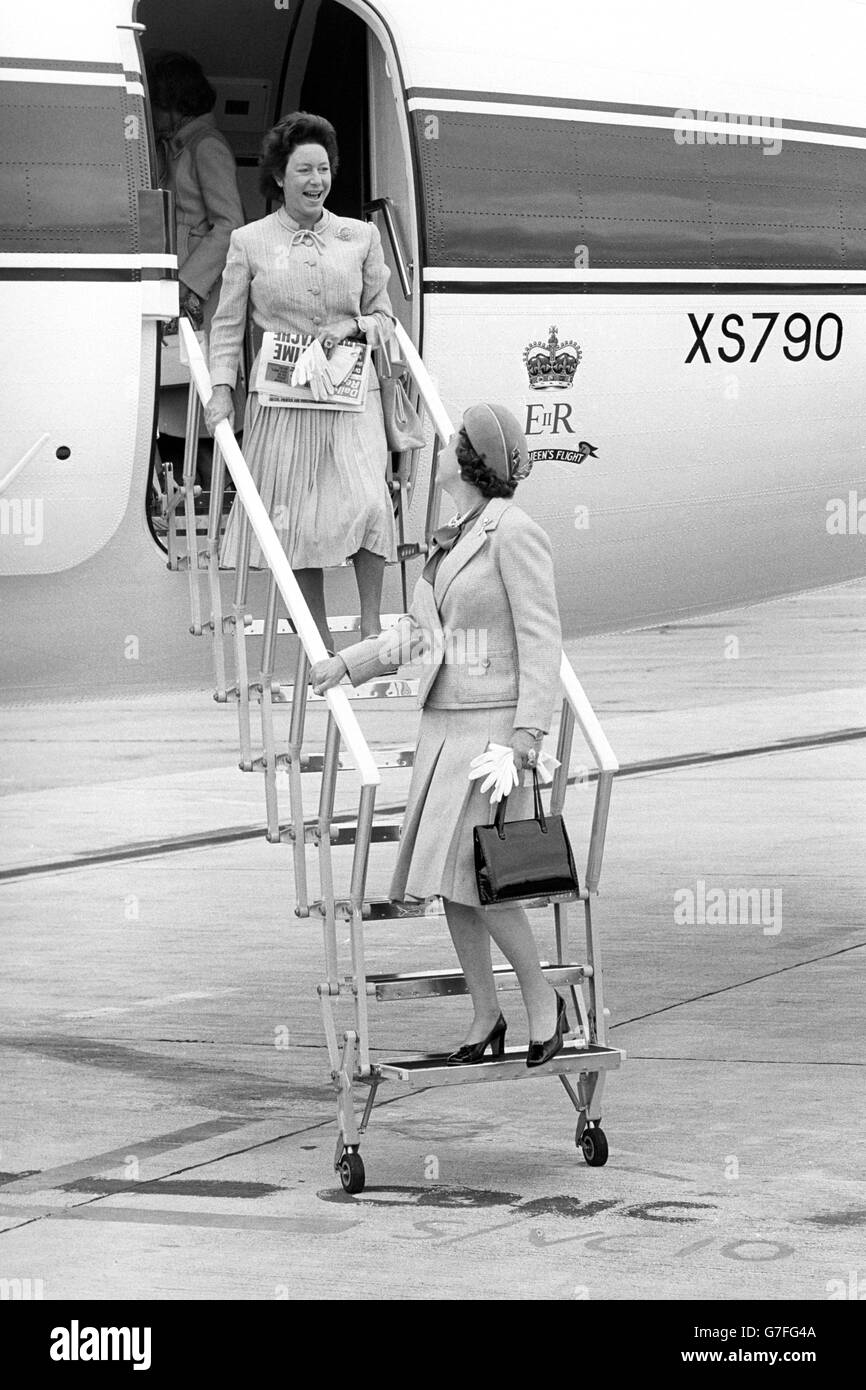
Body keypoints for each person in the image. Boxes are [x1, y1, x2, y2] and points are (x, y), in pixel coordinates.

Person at [311, 404, 569, 1067]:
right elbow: (420, 636)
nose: (442, 450)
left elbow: (542, 643)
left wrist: (528, 738)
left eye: (454, 442)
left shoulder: (513, 533)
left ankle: (545, 1003)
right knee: (452, 886)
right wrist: (351, 665)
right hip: (443, 731)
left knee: (483, 880)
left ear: (472, 459)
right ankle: (486, 1015)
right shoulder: (452, 537)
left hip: (491, 735)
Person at [204, 112, 397, 648]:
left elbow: (385, 318)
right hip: (283, 396)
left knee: (369, 501)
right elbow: (227, 322)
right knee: (298, 518)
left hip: (349, 389)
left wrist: (352, 325)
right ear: (280, 177)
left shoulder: (360, 236)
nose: (317, 180)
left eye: (324, 168)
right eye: (304, 170)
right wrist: (222, 387)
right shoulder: (249, 241)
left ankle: (371, 622)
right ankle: (317, 638)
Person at [147, 52, 245, 479]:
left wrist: (189, 284)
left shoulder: (207, 146)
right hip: (183, 289)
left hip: (200, 293)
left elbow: (230, 225)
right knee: (177, 395)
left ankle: (211, 486)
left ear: (172, 100)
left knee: (197, 392)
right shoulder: (178, 146)